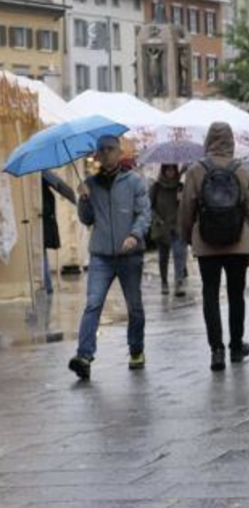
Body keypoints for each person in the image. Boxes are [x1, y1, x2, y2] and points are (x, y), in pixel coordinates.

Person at [178, 122, 249, 372]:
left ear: (208, 141)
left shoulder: (196, 170)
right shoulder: (242, 170)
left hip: (206, 243)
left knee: (210, 294)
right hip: (239, 243)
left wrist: (188, 239)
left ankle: (216, 350)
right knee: (237, 296)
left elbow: (186, 210)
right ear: (231, 141)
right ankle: (236, 347)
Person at [67, 135, 152, 380]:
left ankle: (136, 351)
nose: (104, 154)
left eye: (109, 149)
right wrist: (83, 199)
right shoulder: (90, 184)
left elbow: (144, 213)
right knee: (93, 303)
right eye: (100, 151)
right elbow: (86, 219)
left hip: (130, 255)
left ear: (118, 151)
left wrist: (134, 236)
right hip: (101, 255)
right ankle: (84, 356)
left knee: (134, 307)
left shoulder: (135, 181)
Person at [149, 164, 188, 297]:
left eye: (173, 169)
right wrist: (157, 219)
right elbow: (149, 206)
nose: (170, 172)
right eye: (168, 170)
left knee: (179, 254)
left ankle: (179, 283)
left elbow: (186, 205)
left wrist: (181, 198)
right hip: (161, 226)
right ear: (164, 171)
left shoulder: (180, 186)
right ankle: (164, 282)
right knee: (163, 257)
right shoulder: (156, 187)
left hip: (177, 226)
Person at [40, 169, 76, 294]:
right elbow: (61, 187)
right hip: (42, 221)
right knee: (41, 252)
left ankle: (47, 285)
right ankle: (47, 286)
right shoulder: (42, 173)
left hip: (43, 221)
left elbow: (61, 188)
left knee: (41, 252)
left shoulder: (42, 174)